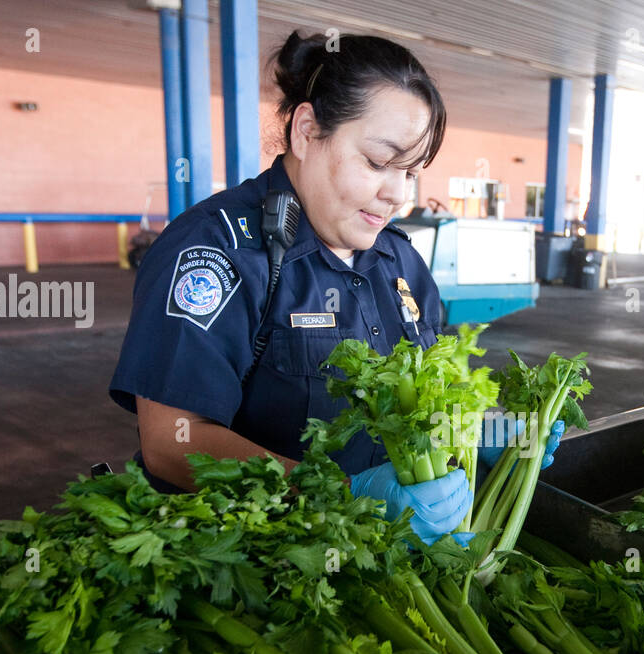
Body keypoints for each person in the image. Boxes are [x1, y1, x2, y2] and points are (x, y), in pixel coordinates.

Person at [109, 30, 559, 543]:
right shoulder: (217, 251)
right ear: (306, 131)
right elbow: (171, 444)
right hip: (257, 559)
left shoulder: (401, 260)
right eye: (377, 162)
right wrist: (341, 492)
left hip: (379, 559)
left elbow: (427, 405)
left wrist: (484, 434)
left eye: (410, 172)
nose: (396, 195)